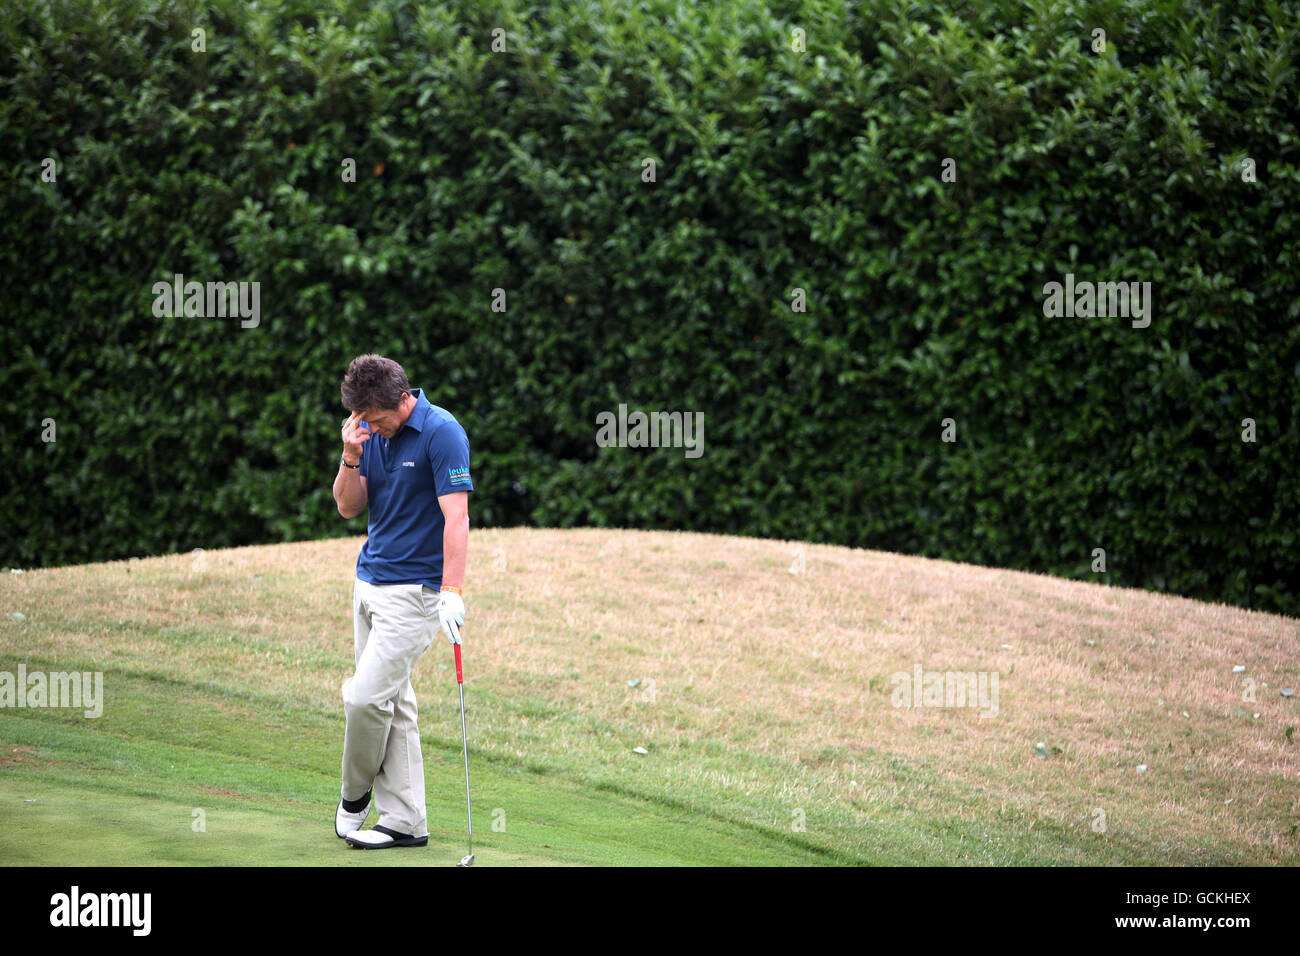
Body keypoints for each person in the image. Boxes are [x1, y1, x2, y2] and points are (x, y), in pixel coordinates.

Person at [330, 353, 473, 849]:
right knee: (394, 705)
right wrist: (350, 454)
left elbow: (457, 518)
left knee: (364, 697)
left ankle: (353, 797)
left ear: (401, 401)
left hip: (415, 595)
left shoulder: (441, 431)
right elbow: (349, 506)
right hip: (368, 584)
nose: (369, 427)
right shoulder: (369, 436)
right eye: (360, 420)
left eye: (373, 418)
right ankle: (407, 821)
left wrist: (452, 591)